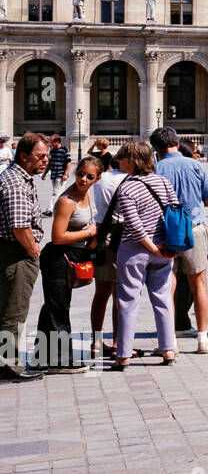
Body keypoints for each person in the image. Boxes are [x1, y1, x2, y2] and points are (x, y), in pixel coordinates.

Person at [111, 141, 181, 371]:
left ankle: (123, 355)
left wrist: (150, 246)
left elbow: (132, 223)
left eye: (121, 157)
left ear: (131, 161)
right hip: (164, 248)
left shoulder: (126, 187)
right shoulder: (162, 182)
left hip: (135, 249)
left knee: (128, 301)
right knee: (162, 299)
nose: (117, 161)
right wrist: (162, 245)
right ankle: (168, 348)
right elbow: (176, 210)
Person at [152, 128, 208, 354]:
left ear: (156, 148)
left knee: (166, 286)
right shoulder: (196, 165)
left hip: (164, 232)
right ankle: (202, 339)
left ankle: (169, 339)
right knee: (198, 284)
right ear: (177, 143)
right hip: (193, 229)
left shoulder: (155, 170)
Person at [33, 155, 101, 373]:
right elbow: (57, 237)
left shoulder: (87, 196)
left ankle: (43, 356)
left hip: (72, 256)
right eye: (80, 174)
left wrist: (91, 237)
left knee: (53, 306)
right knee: (58, 307)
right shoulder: (66, 201)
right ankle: (61, 360)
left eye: (89, 176)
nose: (83, 179)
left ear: (96, 179)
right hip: (57, 258)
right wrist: (88, 232)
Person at [0, 133, 51, 381]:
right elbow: (19, 226)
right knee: (14, 310)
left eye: (47, 156)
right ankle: (7, 366)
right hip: (16, 253)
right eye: (40, 156)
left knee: (10, 308)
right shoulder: (15, 182)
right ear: (24, 156)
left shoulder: (19, 177)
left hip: (14, 251)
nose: (45, 160)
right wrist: (32, 250)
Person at [89, 148, 126, 359]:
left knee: (101, 293)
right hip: (122, 235)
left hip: (103, 234)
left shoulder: (101, 180)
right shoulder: (129, 179)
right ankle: (117, 342)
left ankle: (96, 341)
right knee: (121, 295)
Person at [42, 133, 70, 217]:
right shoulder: (52, 150)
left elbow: (69, 162)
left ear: (57, 141)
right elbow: (50, 163)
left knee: (56, 192)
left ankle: (49, 210)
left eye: (51, 141)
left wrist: (65, 174)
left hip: (61, 174)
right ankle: (63, 207)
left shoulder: (64, 149)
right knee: (60, 192)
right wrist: (44, 173)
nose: (50, 143)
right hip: (53, 174)